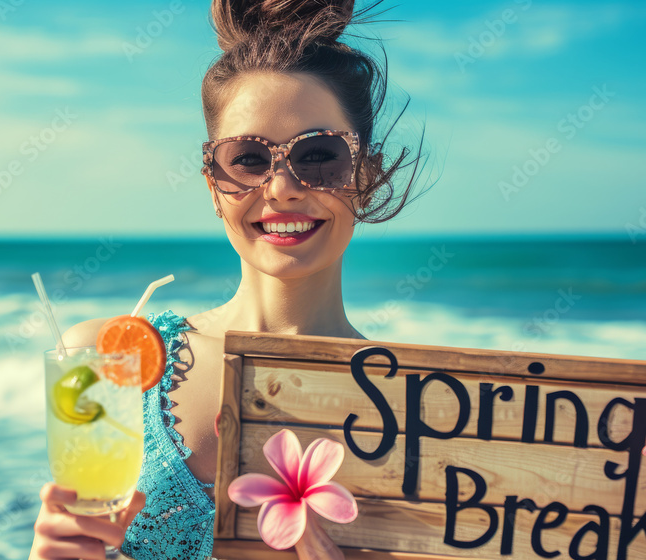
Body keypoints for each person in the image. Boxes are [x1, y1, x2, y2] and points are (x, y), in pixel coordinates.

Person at [30, 0, 427, 558]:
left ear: (366, 174)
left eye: (319, 155)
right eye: (248, 159)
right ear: (213, 185)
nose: (282, 188)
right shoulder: (111, 360)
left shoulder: (424, 408)